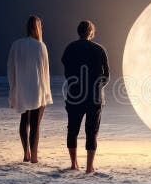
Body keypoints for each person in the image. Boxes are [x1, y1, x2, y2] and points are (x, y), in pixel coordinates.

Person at [62, 20, 109, 173]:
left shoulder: (70, 48)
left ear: (79, 31)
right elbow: (106, 76)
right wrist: (97, 87)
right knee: (92, 131)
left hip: (75, 95)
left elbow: (67, 73)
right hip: (94, 97)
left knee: (72, 130)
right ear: (91, 32)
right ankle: (89, 167)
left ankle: (74, 164)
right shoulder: (99, 49)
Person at [7, 15, 53, 164]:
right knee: (35, 124)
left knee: (23, 120)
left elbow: (11, 69)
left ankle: (26, 153)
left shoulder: (16, 44)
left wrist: (13, 87)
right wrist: (47, 94)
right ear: (38, 28)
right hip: (37, 89)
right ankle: (34, 156)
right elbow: (45, 72)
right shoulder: (40, 46)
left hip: (21, 88)